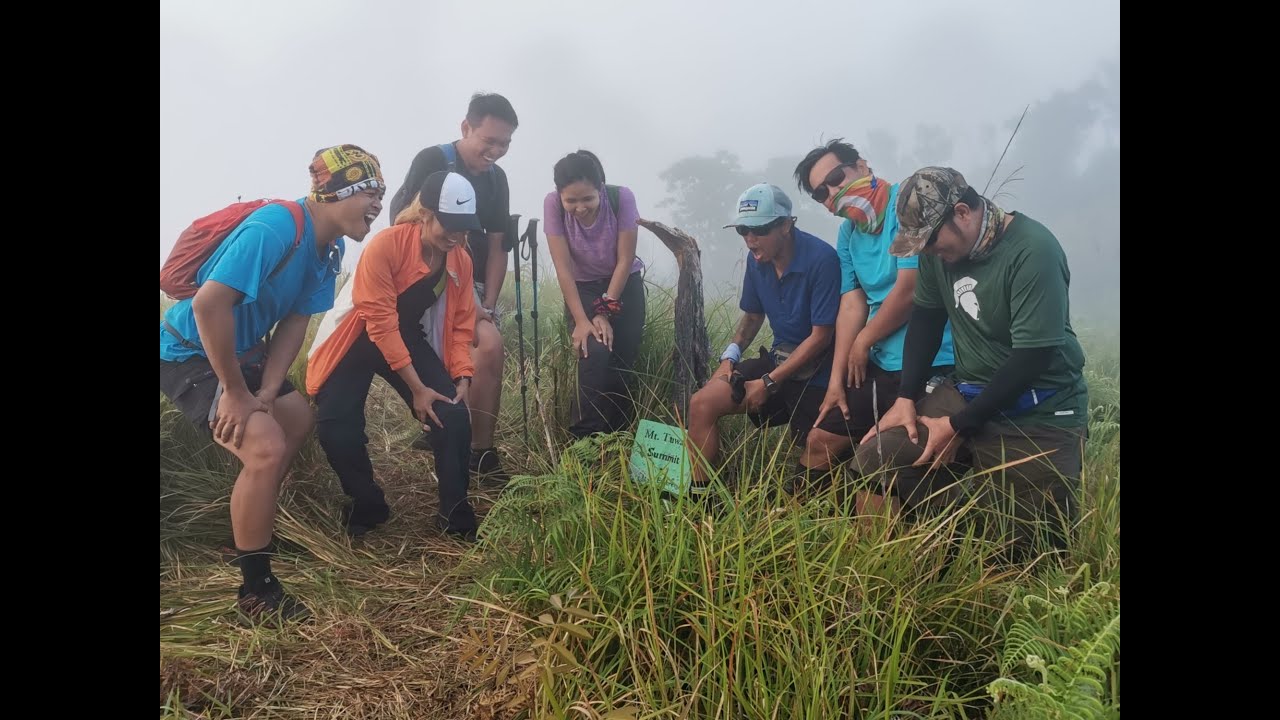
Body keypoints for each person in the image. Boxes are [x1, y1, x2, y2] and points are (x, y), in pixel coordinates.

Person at [159, 144, 385, 620]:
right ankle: (255, 589)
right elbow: (208, 306)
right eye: (369, 190)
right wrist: (238, 395)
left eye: (381, 192)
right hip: (189, 349)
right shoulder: (277, 227)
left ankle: (251, 531)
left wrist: (267, 388)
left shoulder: (329, 250)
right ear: (335, 191)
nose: (378, 203)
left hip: (243, 353)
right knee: (264, 448)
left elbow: (295, 323)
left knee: (297, 418)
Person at [858, 166, 1089, 553]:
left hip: (1040, 407)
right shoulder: (937, 254)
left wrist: (960, 425)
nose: (929, 252)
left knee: (1025, 554)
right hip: (966, 390)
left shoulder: (1034, 250)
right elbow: (926, 321)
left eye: (931, 241)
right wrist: (905, 397)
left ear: (963, 212)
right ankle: (892, 572)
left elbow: (1033, 357)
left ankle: (979, 546)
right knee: (877, 458)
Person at [308, 171, 482, 541]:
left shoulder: (459, 261)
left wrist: (462, 375)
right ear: (426, 214)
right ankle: (368, 505)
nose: (456, 236)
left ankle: (456, 518)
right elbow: (379, 322)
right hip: (356, 339)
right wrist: (418, 389)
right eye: (449, 225)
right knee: (336, 427)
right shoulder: (386, 245)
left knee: (451, 413)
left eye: (464, 228)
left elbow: (462, 323)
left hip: (406, 336)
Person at [791, 139, 955, 503]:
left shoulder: (907, 205)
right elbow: (852, 304)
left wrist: (863, 342)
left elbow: (910, 290)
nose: (834, 192)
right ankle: (794, 529)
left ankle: (879, 547)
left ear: (862, 166)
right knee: (819, 440)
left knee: (878, 460)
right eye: (822, 192)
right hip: (880, 363)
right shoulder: (849, 233)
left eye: (837, 177)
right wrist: (836, 382)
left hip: (932, 360)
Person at [390, 92, 518, 482]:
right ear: (466, 128)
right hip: (423, 280)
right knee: (452, 350)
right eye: (489, 141)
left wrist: (489, 303)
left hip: (470, 284)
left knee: (489, 345)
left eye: (505, 144)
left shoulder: (496, 180)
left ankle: (480, 450)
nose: (496, 151)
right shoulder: (434, 161)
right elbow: (404, 223)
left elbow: (498, 247)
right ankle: (444, 430)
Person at [686, 183, 840, 488]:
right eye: (743, 229)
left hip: (821, 371)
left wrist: (769, 381)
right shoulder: (757, 263)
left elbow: (821, 336)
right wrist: (730, 355)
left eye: (760, 229)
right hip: (779, 358)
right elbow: (754, 316)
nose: (750, 239)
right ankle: (698, 501)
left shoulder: (822, 260)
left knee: (815, 451)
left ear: (786, 225)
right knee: (701, 403)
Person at [543, 150, 646, 438]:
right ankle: (585, 439)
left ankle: (618, 436)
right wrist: (582, 319)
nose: (580, 207)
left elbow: (625, 259)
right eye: (571, 201)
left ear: (600, 188)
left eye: (587, 198)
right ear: (559, 195)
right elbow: (563, 268)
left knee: (623, 358)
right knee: (592, 350)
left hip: (623, 283)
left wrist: (604, 312)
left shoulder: (622, 198)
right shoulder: (552, 205)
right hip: (581, 288)